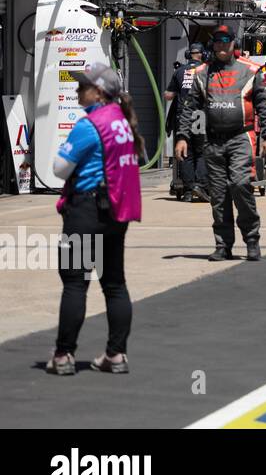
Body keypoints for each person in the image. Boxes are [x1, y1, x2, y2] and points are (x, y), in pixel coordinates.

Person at [47, 64, 144, 376]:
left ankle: (63, 355)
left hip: (86, 210)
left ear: (99, 92)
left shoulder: (90, 125)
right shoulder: (123, 122)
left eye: (83, 86)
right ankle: (116, 354)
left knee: (75, 282)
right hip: (115, 211)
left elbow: (59, 168)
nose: (78, 90)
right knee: (114, 284)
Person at [174, 25, 266, 261]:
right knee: (218, 194)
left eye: (226, 41)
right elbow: (188, 107)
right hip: (213, 141)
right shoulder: (201, 73)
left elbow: (265, 106)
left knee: (240, 184)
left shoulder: (250, 71)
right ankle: (223, 245)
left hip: (241, 138)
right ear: (213, 44)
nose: (222, 45)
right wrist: (182, 137)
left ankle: (252, 239)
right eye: (218, 41)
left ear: (234, 43)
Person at [165, 42, 209, 203]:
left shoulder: (179, 71)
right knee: (202, 151)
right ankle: (201, 186)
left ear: (188, 55)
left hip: (182, 116)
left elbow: (168, 95)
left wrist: (181, 90)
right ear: (203, 54)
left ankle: (188, 191)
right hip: (200, 116)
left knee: (185, 153)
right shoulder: (206, 70)